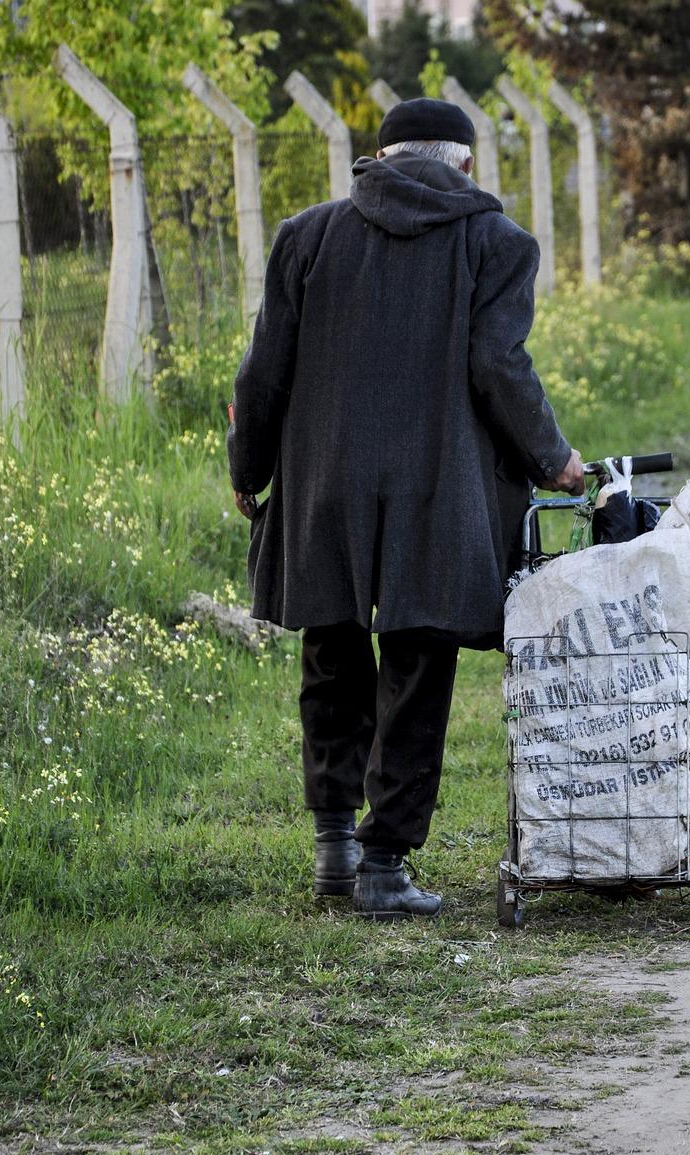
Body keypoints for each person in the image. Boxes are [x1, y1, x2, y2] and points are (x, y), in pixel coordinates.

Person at [228, 97, 584, 922]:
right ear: (466, 165)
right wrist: (553, 459)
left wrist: (249, 468)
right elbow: (499, 366)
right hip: (437, 488)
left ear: (378, 157)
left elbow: (264, 370)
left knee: (331, 651)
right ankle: (383, 866)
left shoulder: (307, 236)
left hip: (325, 485)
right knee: (418, 661)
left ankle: (334, 851)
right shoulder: (495, 242)